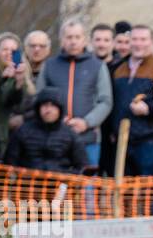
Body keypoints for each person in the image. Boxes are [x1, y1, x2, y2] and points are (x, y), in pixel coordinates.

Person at [107, 24, 153, 175]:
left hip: (147, 142)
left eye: (143, 39)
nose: (138, 43)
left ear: (151, 42)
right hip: (121, 141)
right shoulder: (119, 69)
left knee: (146, 191)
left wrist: (149, 109)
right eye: (134, 39)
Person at [40, 18, 113, 166]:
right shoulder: (49, 65)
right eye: (69, 37)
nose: (73, 42)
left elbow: (105, 100)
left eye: (77, 37)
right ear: (62, 40)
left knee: (87, 185)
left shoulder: (97, 66)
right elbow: (39, 98)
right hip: (54, 136)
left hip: (88, 138)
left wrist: (86, 122)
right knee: (58, 185)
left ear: (84, 40)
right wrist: (57, 119)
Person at [4, 87, 90, 172]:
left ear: (59, 109)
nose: (48, 110)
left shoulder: (70, 135)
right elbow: (10, 163)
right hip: (28, 183)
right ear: (38, 108)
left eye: (53, 106)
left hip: (60, 183)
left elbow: (82, 167)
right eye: (45, 105)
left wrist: (66, 181)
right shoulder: (23, 132)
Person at [0, 32, 27, 146]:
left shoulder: (22, 75)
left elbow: (16, 104)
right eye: (5, 49)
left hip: (11, 135)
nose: (9, 53)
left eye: (13, 50)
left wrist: (19, 83)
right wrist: (3, 78)